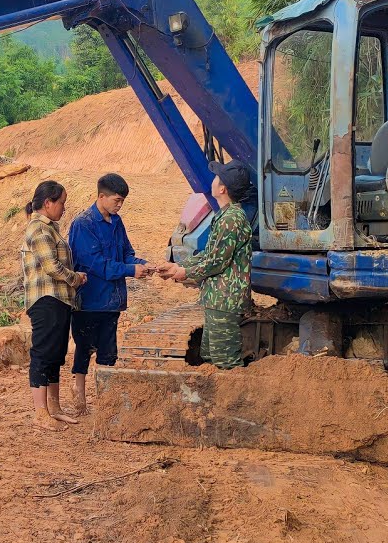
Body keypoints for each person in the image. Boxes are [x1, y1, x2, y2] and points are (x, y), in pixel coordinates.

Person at [156, 160, 254, 369]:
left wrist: (184, 271)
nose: (213, 180)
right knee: (209, 356)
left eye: (217, 177)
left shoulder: (231, 219)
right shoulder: (225, 216)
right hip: (216, 299)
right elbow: (209, 254)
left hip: (225, 300)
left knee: (226, 362)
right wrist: (177, 267)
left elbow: (217, 262)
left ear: (222, 188)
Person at [66, 173, 151, 415]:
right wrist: (131, 270)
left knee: (108, 351)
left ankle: (104, 400)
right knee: (84, 348)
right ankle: (79, 393)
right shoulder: (83, 224)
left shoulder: (117, 222)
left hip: (111, 300)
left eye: (122, 201)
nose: (119, 204)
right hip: (89, 300)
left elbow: (127, 253)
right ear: (101, 196)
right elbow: (96, 264)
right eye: (117, 200)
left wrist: (145, 264)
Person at [20, 180, 88, 431]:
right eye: (61, 203)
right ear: (48, 203)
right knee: (43, 354)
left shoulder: (50, 229)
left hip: (58, 299)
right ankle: (41, 413)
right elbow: (51, 267)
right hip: (46, 299)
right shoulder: (39, 229)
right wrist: (76, 278)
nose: (63, 208)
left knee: (55, 354)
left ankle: (54, 408)